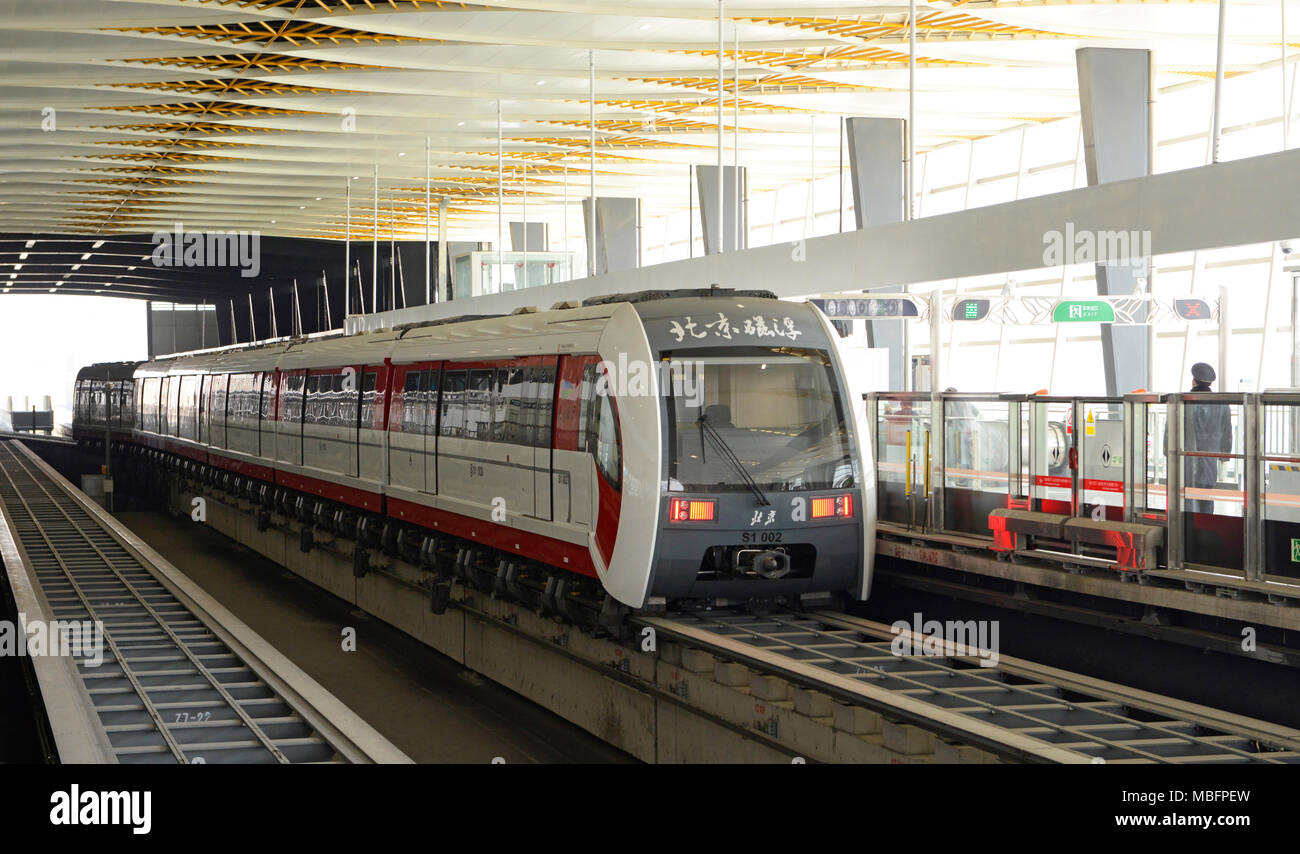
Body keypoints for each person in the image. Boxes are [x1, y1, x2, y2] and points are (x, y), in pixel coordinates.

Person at [1185, 363, 1232, 515]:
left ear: (1194, 381)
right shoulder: (1222, 403)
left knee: (1188, 497)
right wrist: (1225, 454)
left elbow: (1170, 429)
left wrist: (1167, 450)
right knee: (1206, 497)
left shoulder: (1184, 402)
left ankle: (1189, 531)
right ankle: (1206, 526)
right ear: (1211, 383)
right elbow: (1227, 430)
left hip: (1186, 459)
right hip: (1209, 459)